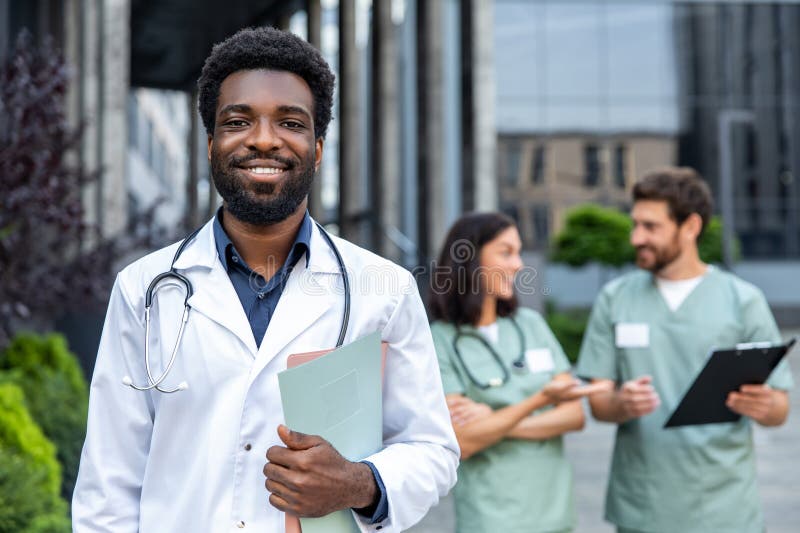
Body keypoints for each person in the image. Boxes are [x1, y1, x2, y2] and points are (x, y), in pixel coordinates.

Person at [72, 27, 458, 533]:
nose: (263, 138)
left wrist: (361, 483)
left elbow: (432, 448)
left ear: (318, 148)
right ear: (211, 144)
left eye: (290, 122)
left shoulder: (384, 290)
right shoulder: (144, 289)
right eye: (238, 121)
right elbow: (109, 483)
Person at [576, 166, 794, 533]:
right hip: (642, 506)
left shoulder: (743, 301)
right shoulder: (615, 300)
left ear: (690, 227)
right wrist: (620, 404)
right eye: (635, 224)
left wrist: (764, 405)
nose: (636, 238)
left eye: (651, 226)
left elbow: (780, 409)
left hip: (724, 508)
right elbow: (599, 403)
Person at [428, 212, 604, 533]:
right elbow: (464, 441)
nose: (519, 264)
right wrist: (539, 400)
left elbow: (574, 416)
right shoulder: (438, 341)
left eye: (518, 252)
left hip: (555, 513)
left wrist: (494, 421)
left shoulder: (531, 325)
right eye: (506, 252)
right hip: (492, 517)